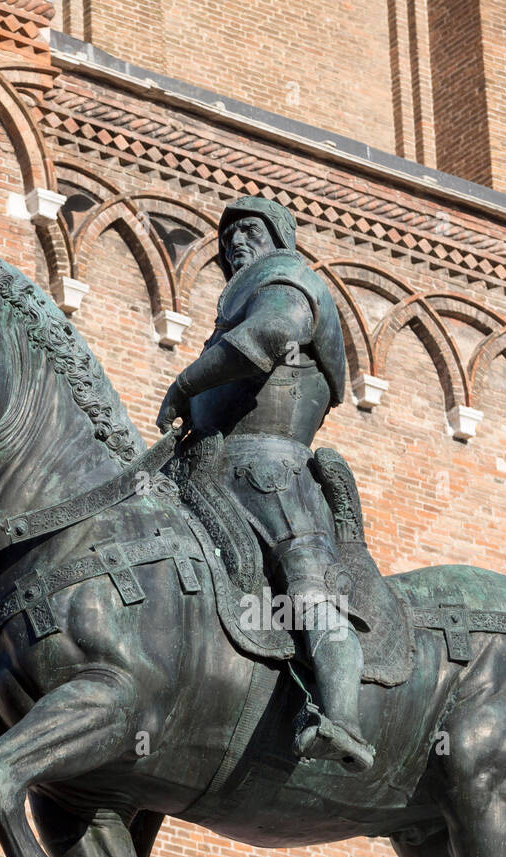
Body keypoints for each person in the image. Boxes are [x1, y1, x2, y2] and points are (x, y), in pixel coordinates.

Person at [156, 197, 374, 772]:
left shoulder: (289, 279)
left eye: (249, 230)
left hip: (272, 469)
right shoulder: (246, 295)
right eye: (227, 238)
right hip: (208, 468)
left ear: (279, 237)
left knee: (309, 586)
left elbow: (275, 333)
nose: (235, 244)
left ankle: (343, 720)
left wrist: (186, 382)